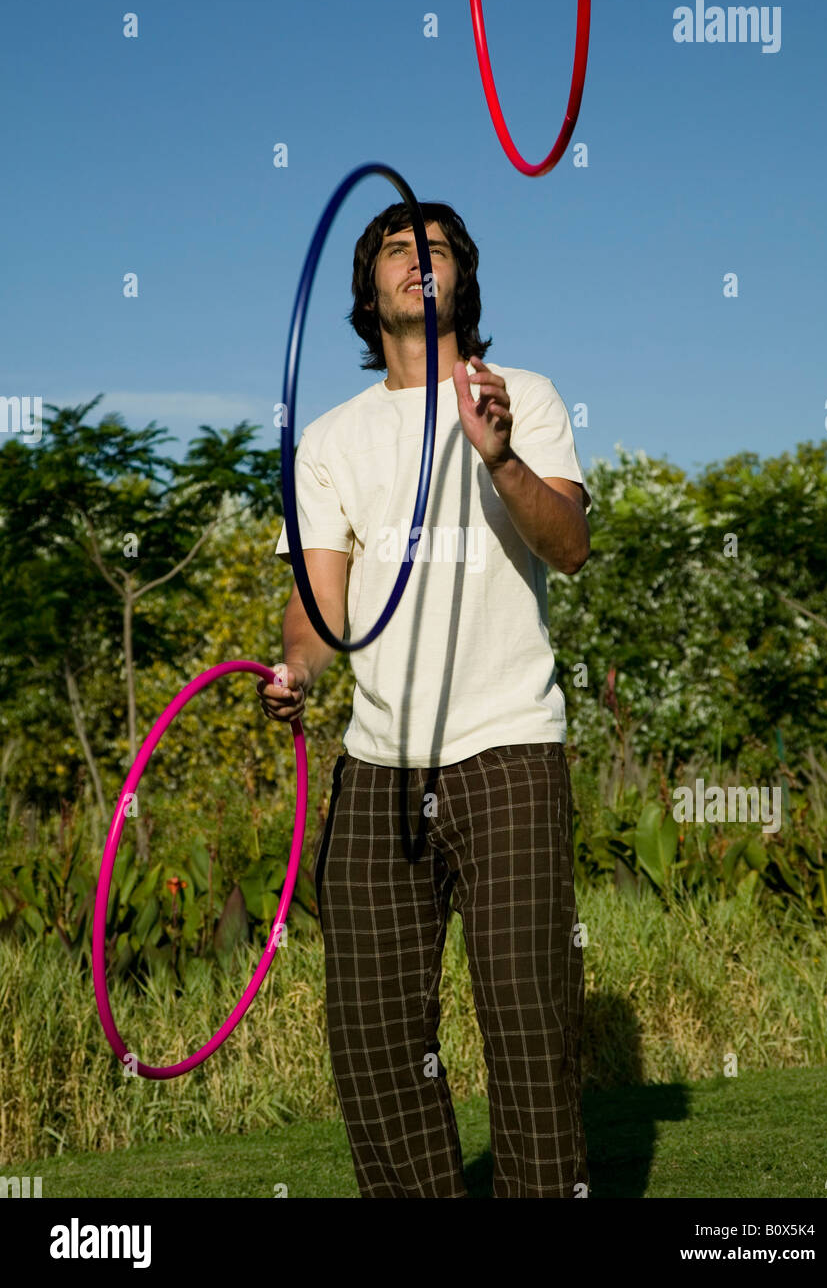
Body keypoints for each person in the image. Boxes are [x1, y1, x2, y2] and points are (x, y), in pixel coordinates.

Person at [258, 199, 592, 1198]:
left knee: (529, 1022)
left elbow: (570, 547)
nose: (417, 261)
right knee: (372, 1040)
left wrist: (496, 452)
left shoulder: (520, 394)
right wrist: (297, 673)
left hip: (509, 751)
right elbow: (320, 606)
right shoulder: (330, 438)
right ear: (370, 291)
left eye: (435, 247)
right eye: (396, 250)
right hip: (377, 766)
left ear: (461, 278)